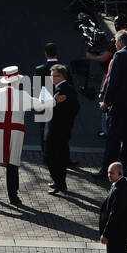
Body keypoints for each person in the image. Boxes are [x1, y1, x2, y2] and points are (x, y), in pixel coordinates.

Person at [0, 66, 49, 206]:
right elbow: (41, 105)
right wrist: (53, 99)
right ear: (16, 81)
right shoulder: (23, 95)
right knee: (12, 165)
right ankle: (13, 197)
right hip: (15, 133)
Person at [99, 32, 127, 177]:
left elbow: (113, 81)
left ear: (120, 42)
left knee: (113, 139)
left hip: (119, 105)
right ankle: (123, 170)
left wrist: (106, 101)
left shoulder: (119, 56)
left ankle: (107, 170)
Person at [43, 64, 78, 194]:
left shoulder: (64, 90)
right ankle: (58, 181)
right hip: (57, 129)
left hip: (58, 131)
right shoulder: (60, 89)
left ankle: (60, 184)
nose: (51, 78)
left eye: (53, 76)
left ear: (61, 76)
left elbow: (73, 109)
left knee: (55, 158)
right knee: (54, 156)